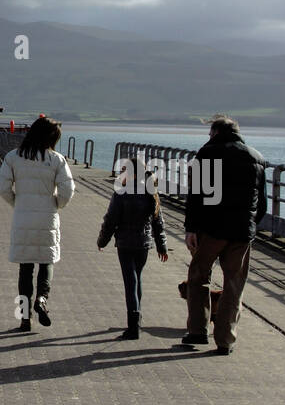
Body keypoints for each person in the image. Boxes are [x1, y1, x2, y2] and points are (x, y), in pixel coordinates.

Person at [181, 115, 266, 355]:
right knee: (234, 285)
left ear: (216, 132)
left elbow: (196, 197)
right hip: (241, 233)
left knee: (199, 277)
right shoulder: (257, 158)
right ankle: (225, 341)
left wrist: (191, 229)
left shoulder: (207, 154)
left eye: (210, 133)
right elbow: (263, 205)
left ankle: (198, 331)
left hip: (211, 229)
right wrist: (250, 225)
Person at [0, 115, 75, 332]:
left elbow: (2, 187)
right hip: (47, 218)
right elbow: (68, 190)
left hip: (23, 218)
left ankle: (23, 318)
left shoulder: (14, 157)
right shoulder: (57, 159)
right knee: (46, 262)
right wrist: (56, 204)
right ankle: (42, 299)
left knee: (25, 270)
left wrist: (17, 202)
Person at [97, 156, 168, 339]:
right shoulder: (151, 192)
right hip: (144, 244)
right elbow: (158, 222)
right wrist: (162, 246)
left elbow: (110, 220)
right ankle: (138, 319)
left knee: (131, 282)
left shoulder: (121, 193)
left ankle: (133, 327)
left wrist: (102, 241)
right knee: (137, 278)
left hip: (125, 243)